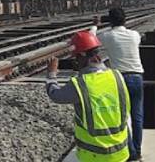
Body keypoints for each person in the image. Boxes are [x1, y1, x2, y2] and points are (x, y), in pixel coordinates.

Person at [46, 30, 131, 162]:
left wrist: (51, 75)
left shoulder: (81, 84)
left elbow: (55, 95)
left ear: (81, 56)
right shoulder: (116, 76)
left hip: (94, 156)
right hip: (121, 153)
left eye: (75, 58)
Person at [97, 7, 144, 161]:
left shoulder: (107, 35)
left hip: (120, 79)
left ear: (110, 21)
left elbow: (91, 38)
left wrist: (95, 24)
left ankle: (131, 151)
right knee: (137, 115)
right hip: (137, 77)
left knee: (122, 116)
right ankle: (137, 149)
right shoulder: (135, 35)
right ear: (125, 20)